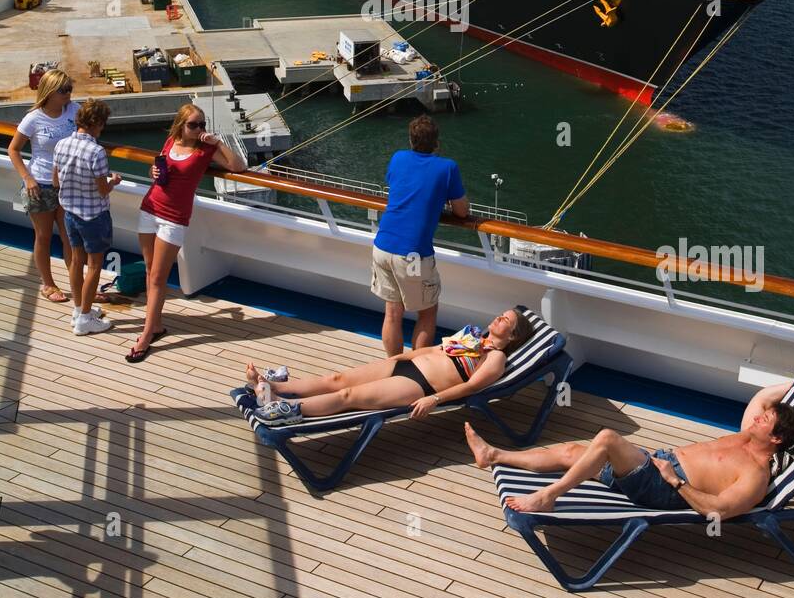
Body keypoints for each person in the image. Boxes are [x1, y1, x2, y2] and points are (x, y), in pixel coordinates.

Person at [464, 369, 794, 517]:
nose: (759, 417)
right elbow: (764, 397)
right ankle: (493, 454)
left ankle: (547, 497)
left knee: (607, 439)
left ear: (777, 439)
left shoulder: (755, 474)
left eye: (767, 420)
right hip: (657, 466)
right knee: (572, 451)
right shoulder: (747, 433)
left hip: (665, 487)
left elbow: (716, 511)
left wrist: (676, 481)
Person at [244, 308, 535, 425]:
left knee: (350, 397)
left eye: (505, 321)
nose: (498, 319)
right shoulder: (472, 335)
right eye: (501, 315)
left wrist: (433, 399)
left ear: (512, 336)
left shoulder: (496, 358)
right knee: (338, 378)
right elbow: (434, 349)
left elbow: (471, 387)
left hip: (420, 385)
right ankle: (273, 386)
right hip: (407, 365)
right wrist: (399, 358)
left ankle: (286, 408)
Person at [128, 105, 245, 363]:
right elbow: (155, 170)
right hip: (149, 208)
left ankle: (146, 335)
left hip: (174, 218)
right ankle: (156, 325)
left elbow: (238, 166)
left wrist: (219, 142)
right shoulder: (170, 141)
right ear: (181, 124)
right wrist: (153, 171)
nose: (200, 129)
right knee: (150, 270)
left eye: (202, 124)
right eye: (194, 125)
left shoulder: (206, 149)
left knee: (158, 276)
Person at [371, 114, 468, 356]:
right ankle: (417, 370)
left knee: (393, 312)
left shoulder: (398, 158)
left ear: (411, 140)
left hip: (383, 245)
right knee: (427, 312)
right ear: (437, 143)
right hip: (412, 254)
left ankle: (394, 367)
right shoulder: (447, 168)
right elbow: (462, 211)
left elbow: (403, 187)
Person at [7, 70, 79, 304]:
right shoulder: (34, 118)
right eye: (64, 90)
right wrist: (28, 178)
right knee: (44, 236)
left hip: (68, 184)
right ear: (50, 92)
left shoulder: (74, 110)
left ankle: (78, 283)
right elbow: (14, 149)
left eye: (70, 89)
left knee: (71, 237)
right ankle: (48, 284)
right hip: (41, 185)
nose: (69, 94)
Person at [52, 99, 122, 335]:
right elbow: (103, 190)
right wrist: (114, 181)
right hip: (93, 216)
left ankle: (79, 309)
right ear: (97, 123)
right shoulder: (97, 151)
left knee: (75, 261)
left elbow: (55, 181)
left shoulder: (61, 145)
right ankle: (84, 319)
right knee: (94, 266)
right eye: (102, 125)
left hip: (70, 213)